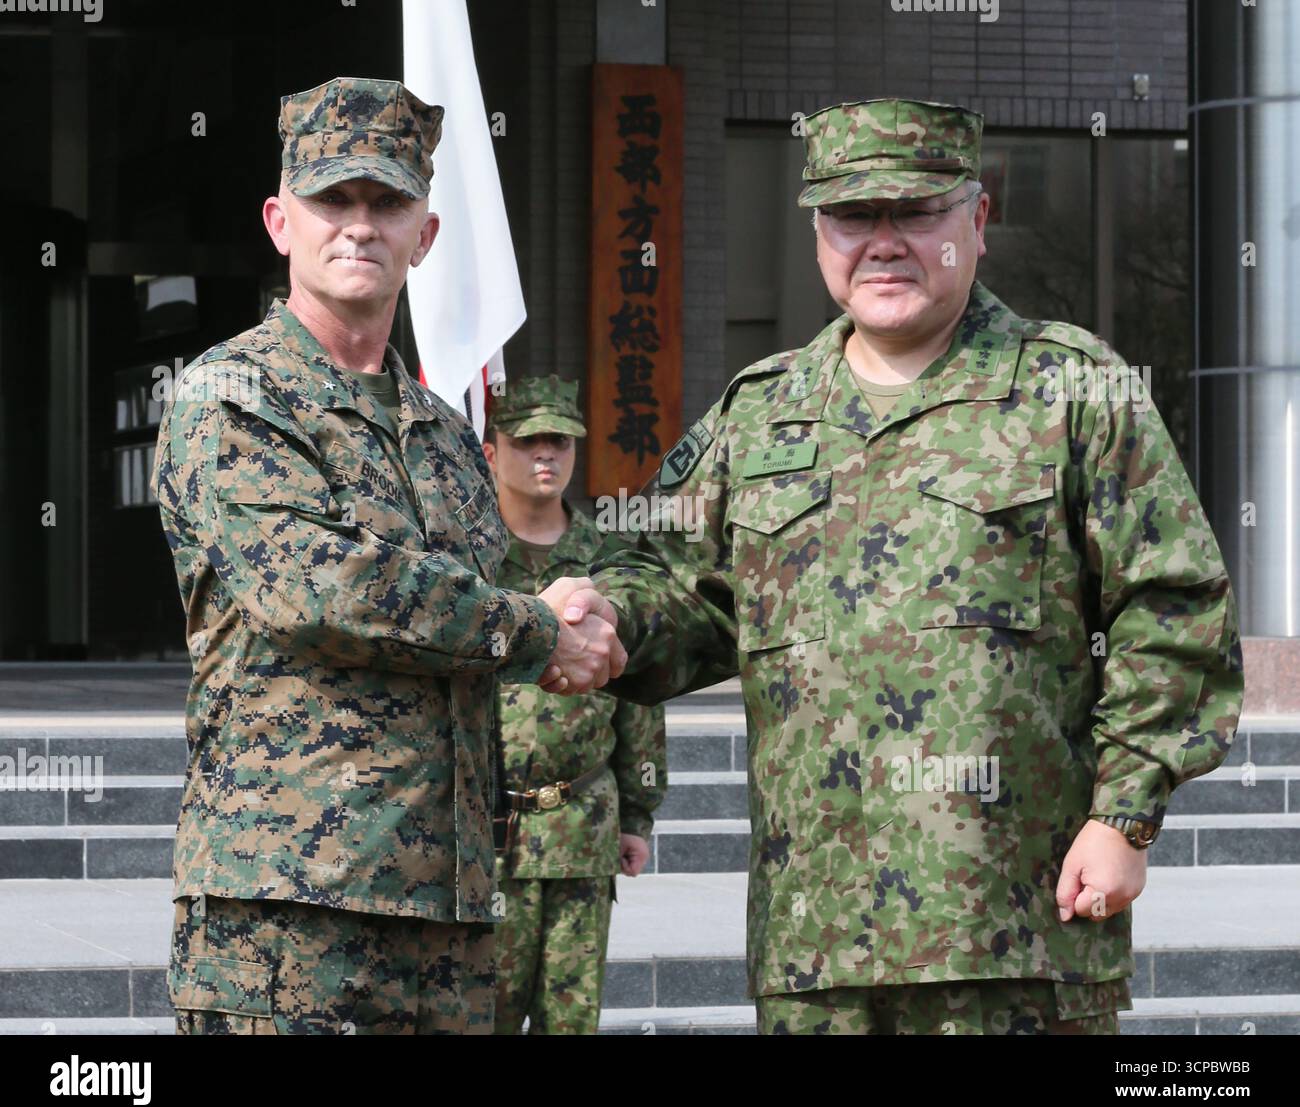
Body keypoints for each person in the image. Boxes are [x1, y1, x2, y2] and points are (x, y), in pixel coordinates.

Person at [559, 98, 1244, 1034]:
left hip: (1015, 935)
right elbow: (681, 592)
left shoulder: (1072, 388)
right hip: (817, 948)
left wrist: (1124, 816)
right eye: (852, 216)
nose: (882, 243)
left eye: (915, 213)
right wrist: (603, 623)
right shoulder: (761, 414)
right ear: (817, 234)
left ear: (978, 219)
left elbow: (1171, 608)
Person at [152, 77, 623, 1035]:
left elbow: (475, 611)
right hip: (286, 921)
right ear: (282, 223)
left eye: (387, 202)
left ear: (427, 234)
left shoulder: (449, 437)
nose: (358, 226)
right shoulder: (235, 395)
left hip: (446, 920)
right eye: (332, 200)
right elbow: (322, 589)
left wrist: (588, 624)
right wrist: (538, 629)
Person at [480, 373, 666, 1034]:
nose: (545, 454)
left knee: (572, 1021)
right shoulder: (466, 562)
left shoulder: (609, 558)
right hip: (486, 832)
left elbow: (639, 692)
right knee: (482, 1017)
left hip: (582, 823)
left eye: (559, 439)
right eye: (527, 439)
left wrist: (638, 813)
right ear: (490, 449)